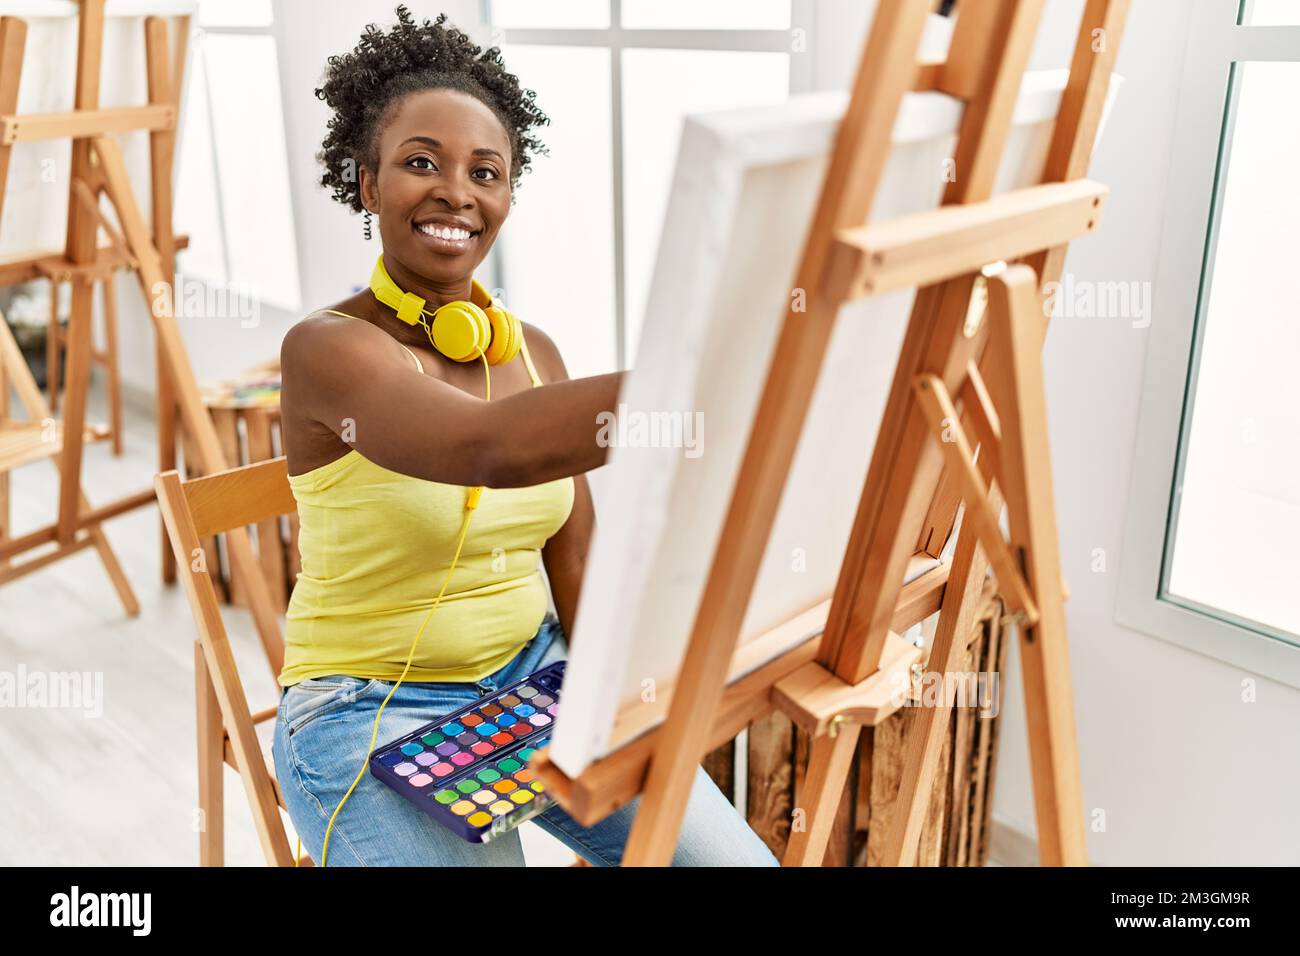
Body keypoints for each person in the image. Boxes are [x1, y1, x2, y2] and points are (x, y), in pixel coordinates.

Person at [271, 5, 778, 867]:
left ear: (507, 194)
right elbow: (488, 448)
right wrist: (701, 371)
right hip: (364, 712)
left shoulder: (532, 351)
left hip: (531, 684)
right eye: (420, 163)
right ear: (366, 182)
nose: (456, 193)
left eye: (486, 171)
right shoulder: (328, 350)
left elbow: (573, 556)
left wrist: (610, 713)